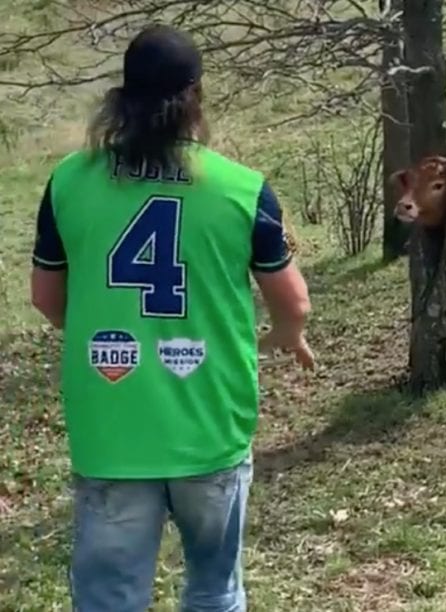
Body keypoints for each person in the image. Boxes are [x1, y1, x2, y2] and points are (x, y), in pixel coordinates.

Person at [29, 23, 314, 612]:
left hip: (110, 430)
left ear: (121, 98)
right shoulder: (242, 189)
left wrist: (96, 327)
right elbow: (294, 302)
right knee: (214, 590)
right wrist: (286, 336)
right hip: (209, 426)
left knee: (110, 598)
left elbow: (46, 298)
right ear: (195, 97)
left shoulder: (68, 182)